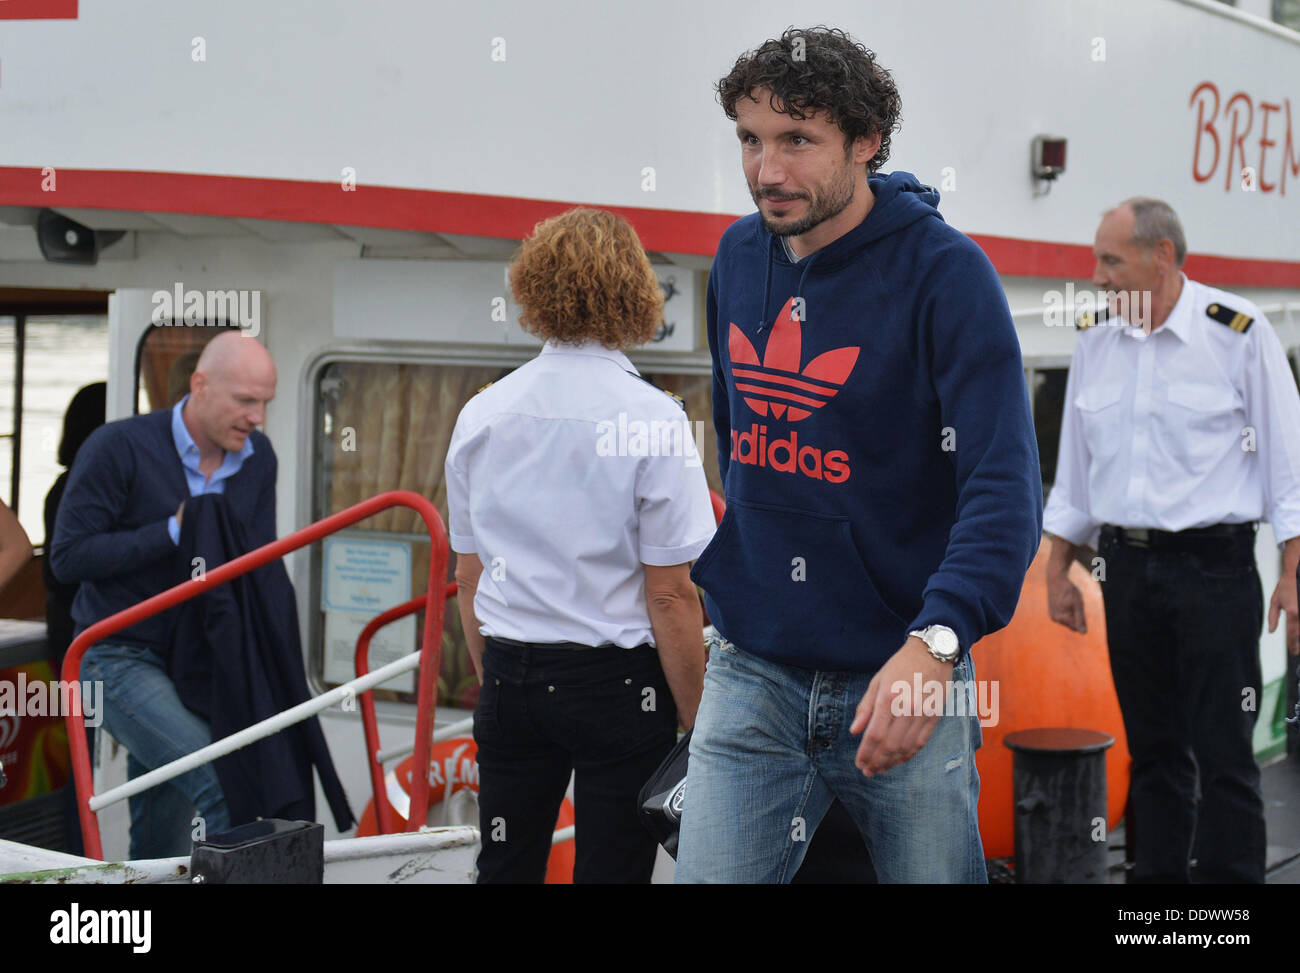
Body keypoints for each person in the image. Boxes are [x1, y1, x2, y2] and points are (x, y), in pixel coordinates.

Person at [674, 27, 1042, 884]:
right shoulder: (734, 257)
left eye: (797, 140)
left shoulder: (948, 276)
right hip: (751, 670)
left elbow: (1003, 490)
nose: (767, 170)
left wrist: (938, 643)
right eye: (751, 140)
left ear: (867, 142)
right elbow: (744, 448)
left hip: (902, 668)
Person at [445, 207, 716, 884]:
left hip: (510, 677)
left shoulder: (484, 412)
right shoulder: (653, 418)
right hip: (617, 689)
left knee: (505, 865)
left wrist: (497, 675)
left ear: (533, 289)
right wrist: (698, 718)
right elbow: (671, 592)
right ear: (635, 293)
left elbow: (469, 577)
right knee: (612, 870)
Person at [1044, 197, 1300, 884]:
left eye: (1110, 260)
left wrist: (1292, 572)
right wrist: (1056, 568)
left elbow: (1289, 468)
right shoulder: (1096, 341)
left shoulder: (1239, 335)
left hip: (1214, 572)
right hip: (1125, 573)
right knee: (1152, 754)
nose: (1096, 276)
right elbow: (1075, 474)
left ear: (1162, 257)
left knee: (1225, 756)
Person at [50, 331, 278, 859]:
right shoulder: (117, 446)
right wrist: (172, 531)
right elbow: (67, 558)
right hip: (116, 654)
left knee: (160, 834)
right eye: (245, 400)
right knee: (224, 780)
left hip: (201, 659)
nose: (258, 417)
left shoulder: (259, 458)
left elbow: (255, 563)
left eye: (265, 402)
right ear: (198, 386)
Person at [42, 380, 106, 856]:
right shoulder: (79, 489)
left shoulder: (60, 487)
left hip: (69, 639)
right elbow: (60, 573)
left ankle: (80, 851)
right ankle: (78, 855)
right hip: (81, 643)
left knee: (85, 756)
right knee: (88, 759)